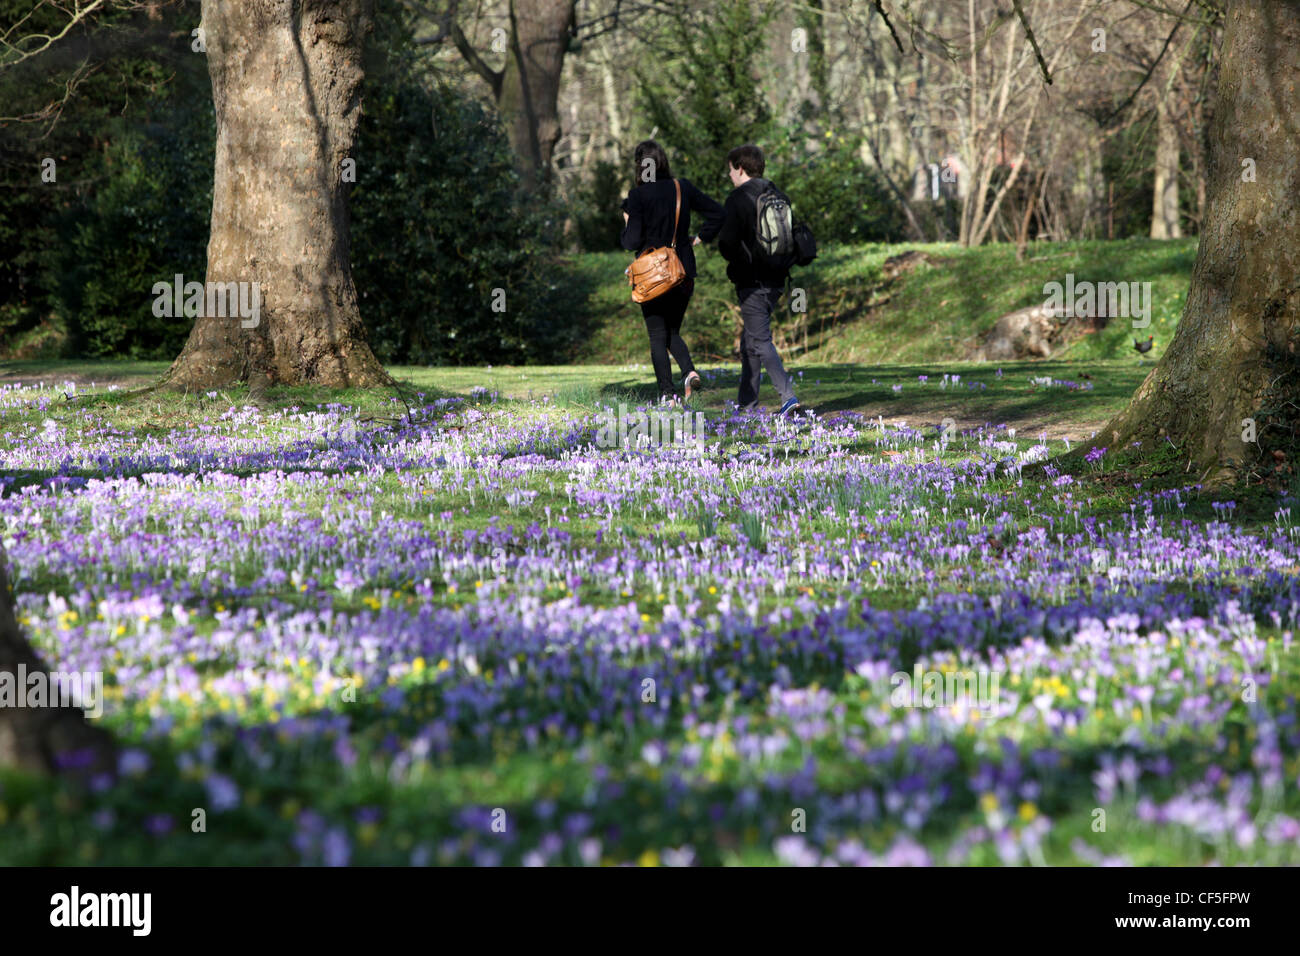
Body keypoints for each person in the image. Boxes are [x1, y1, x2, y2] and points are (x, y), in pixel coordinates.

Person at [621, 140, 725, 405]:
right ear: (663, 161)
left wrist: (627, 221)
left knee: (658, 335)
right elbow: (718, 213)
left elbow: (631, 242)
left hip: (652, 276)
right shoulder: (682, 187)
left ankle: (668, 394)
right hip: (682, 272)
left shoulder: (637, 197)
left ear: (639, 166)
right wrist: (698, 238)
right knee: (671, 332)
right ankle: (689, 371)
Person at [716, 144, 801, 416]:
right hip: (777, 279)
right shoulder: (777, 194)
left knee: (761, 341)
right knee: (750, 341)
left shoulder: (738, 199)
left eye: (730, 170)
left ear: (740, 168)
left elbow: (727, 243)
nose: (729, 175)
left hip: (753, 281)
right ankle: (747, 405)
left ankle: (788, 398)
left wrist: (735, 260)